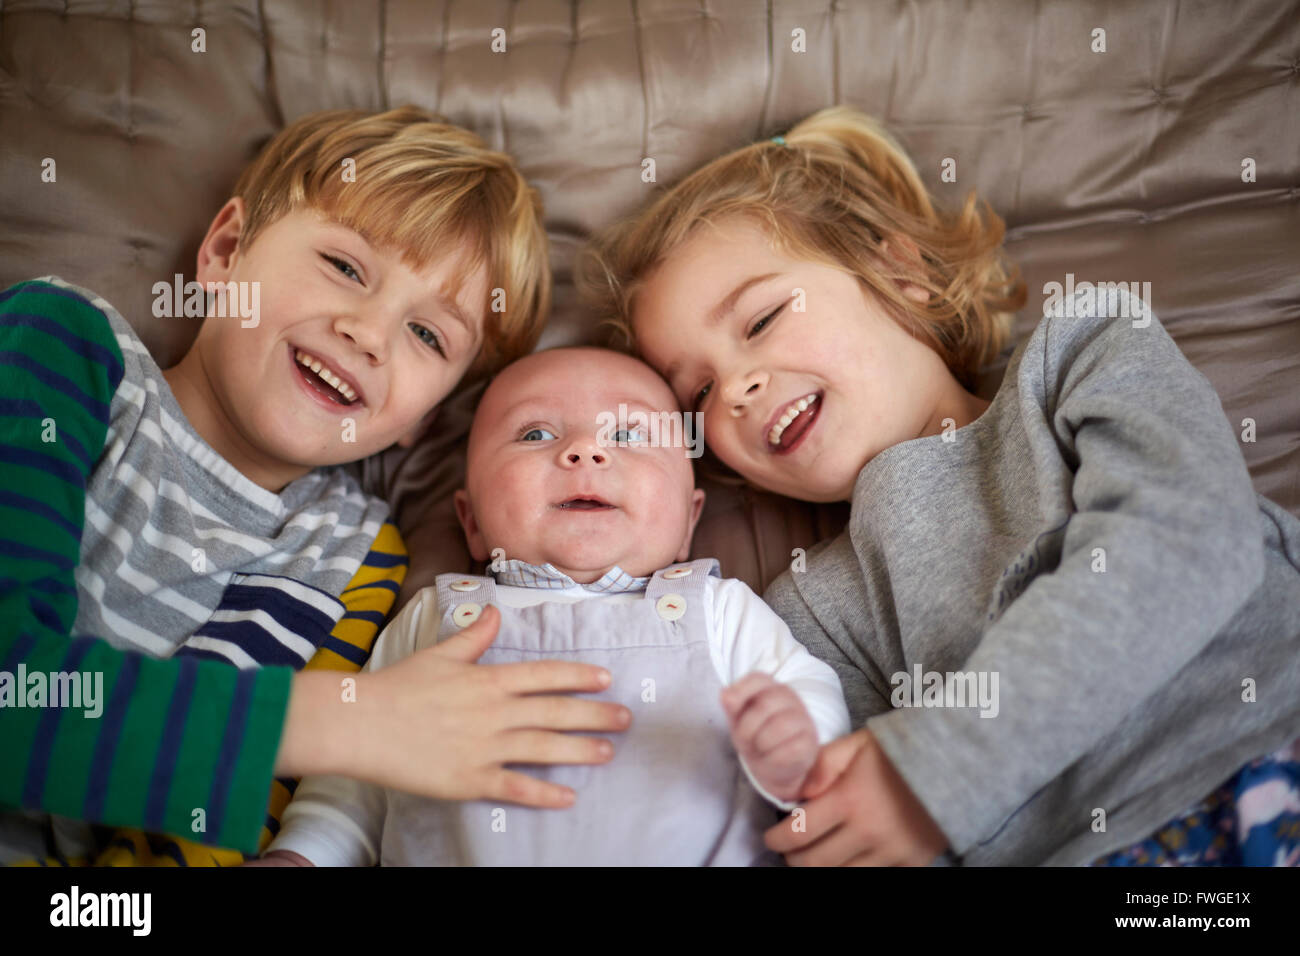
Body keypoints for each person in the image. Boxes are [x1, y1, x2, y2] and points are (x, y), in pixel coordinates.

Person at [578, 105, 1300, 866]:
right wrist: (798, 775)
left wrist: (936, 767)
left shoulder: (1077, 354)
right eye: (696, 394)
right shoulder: (811, 612)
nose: (737, 389)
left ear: (902, 273)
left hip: (1265, 744)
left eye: (758, 321)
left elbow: (1188, 543)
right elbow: (859, 817)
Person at [0, 106, 628, 865]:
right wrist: (353, 723)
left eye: (428, 335)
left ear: (421, 423)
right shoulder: (63, 348)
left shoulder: (359, 557)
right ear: (226, 253)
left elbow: (223, 831)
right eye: (345, 267)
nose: (368, 332)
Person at [252, 347, 850, 865]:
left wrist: (795, 744)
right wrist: (303, 852)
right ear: (472, 523)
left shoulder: (721, 612)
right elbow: (355, 764)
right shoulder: (437, 622)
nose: (586, 451)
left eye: (630, 435)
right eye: (536, 433)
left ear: (689, 522)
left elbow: (808, 687)